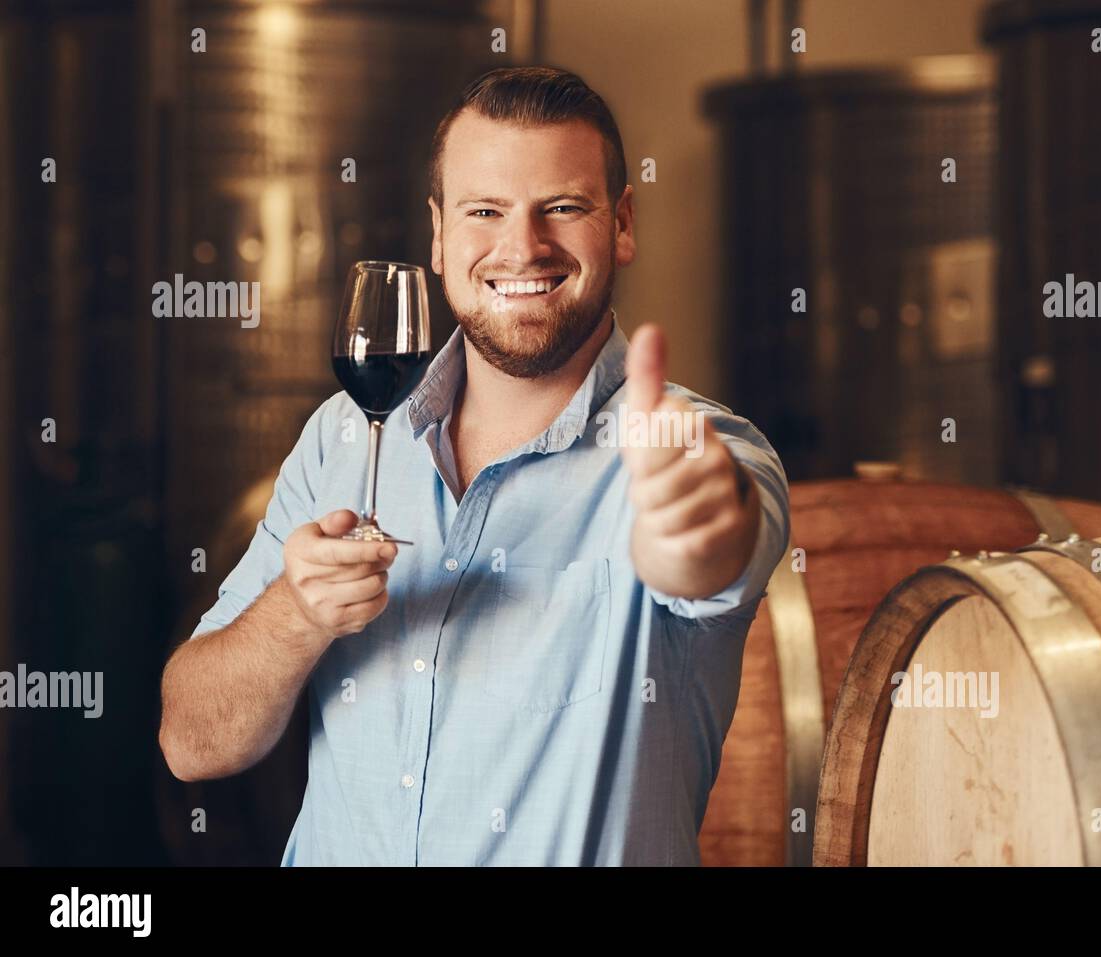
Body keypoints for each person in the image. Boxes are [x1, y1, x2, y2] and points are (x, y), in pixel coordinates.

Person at [159, 65, 790, 865]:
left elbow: (711, 553)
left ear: (623, 224)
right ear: (439, 235)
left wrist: (694, 527)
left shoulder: (701, 450)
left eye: (562, 207)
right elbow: (190, 742)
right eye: (484, 211)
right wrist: (297, 613)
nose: (521, 247)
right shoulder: (342, 437)